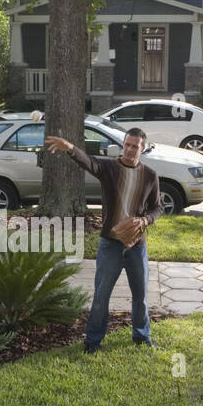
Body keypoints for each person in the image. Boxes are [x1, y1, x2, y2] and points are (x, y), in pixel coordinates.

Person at [44, 127, 162, 352]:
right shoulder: (109, 168)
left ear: (142, 148)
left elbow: (158, 207)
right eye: (126, 144)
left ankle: (141, 337)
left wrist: (146, 220)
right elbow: (89, 162)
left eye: (134, 146)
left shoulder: (150, 175)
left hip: (137, 246)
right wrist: (69, 148)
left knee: (141, 296)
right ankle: (93, 341)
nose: (129, 149)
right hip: (110, 245)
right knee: (101, 296)